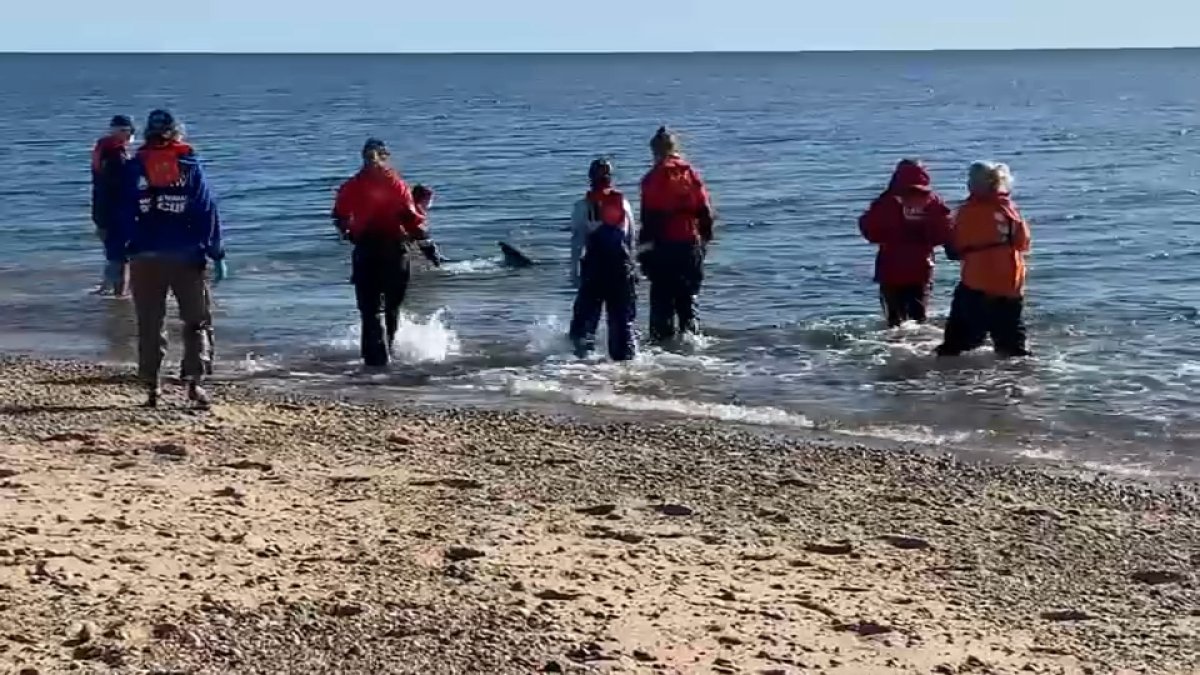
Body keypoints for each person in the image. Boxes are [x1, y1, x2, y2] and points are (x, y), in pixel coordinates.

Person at [114, 109, 227, 408]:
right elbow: (206, 209)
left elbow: (123, 211)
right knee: (197, 321)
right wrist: (217, 251)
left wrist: (120, 250)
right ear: (176, 133)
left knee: (150, 323)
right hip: (186, 256)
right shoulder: (188, 163)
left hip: (144, 257)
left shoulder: (135, 166)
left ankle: (152, 387)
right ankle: (195, 384)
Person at [332, 138, 442, 368]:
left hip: (365, 251)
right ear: (385, 156)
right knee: (392, 309)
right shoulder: (396, 184)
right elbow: (411, 220)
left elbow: (339, 217)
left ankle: (373, 363)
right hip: (394, 251)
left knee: (369, 312)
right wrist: (428, 247)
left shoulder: (350, 186)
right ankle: (389, 356)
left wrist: (349, 233)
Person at [936, 161, 1032, 358]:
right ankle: (1020, 380)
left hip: (979, 279)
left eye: (970, 179)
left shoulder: (969, 211)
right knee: (1012, 342)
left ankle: (947, 378)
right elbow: (1023, 243)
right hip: (1012, 281)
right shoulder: (1010, 209)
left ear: (976, 184)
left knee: (957, 342)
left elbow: (954, 250)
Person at [638, 127, 714, 343]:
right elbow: (706, 213)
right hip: (690, 244)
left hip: (664, 247)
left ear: (655, 151)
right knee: (688, 300)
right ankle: (693, 345)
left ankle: (662, 351)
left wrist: (643, 253)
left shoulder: (652, 178)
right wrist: (703, 244)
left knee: (661, 303)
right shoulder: (691, 174)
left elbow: (649, 221)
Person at [858, 159, 953, 327]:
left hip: (890, 267)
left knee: (894, 320)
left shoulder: (886, 201)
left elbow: (869, 229)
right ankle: (919, 346)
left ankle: (896, 346)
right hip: (920, 267)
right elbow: (945, 232)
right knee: (918, 317)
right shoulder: (932, 201)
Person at [568, 158, 638, 361]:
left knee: (584, 322)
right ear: (610, 178)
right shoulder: (623, 203)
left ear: (590, 179)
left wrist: (573, 271)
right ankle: (626, 364)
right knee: (622, 322)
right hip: (621, 268)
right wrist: (633, 268)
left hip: (595, 269)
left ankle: (581, 361)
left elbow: (577, 241)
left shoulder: (582, 206)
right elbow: (631, 237)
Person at [92, 114, 136, 296]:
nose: (130, 136)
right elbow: (121, 186)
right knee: (121, 256)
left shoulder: (103, 148)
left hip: (101, 209)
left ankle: (105, 289)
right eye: (127, 131)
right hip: (115, 212)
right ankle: (120, 295)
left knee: (112, 254)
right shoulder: (116, 154)